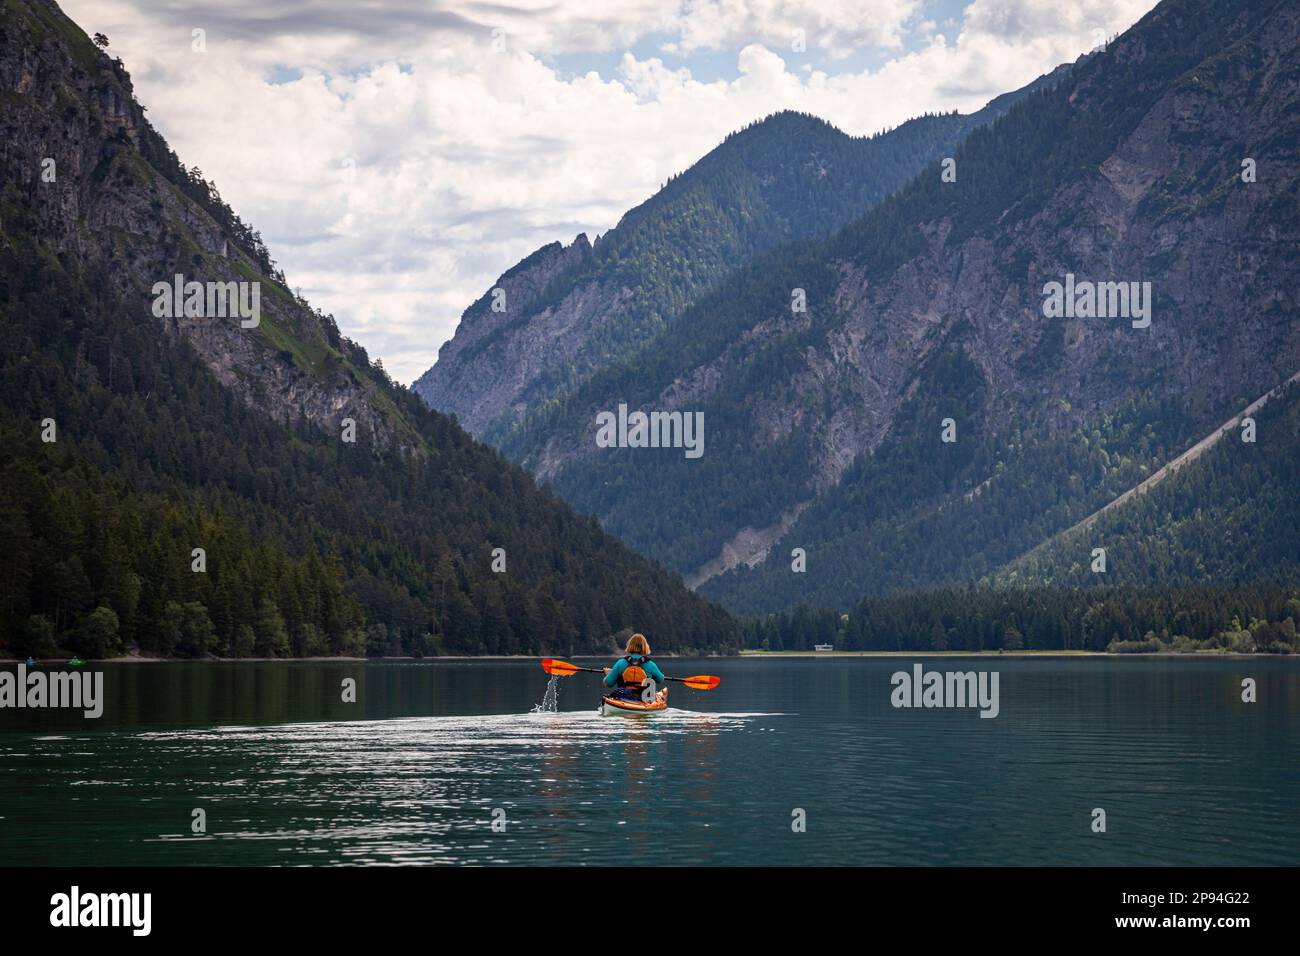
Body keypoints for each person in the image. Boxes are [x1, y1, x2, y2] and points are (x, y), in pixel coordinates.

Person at [603, 633, 667, 701]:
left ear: (629, 645)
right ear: (645, 646)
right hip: (644, 700)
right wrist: (660, 675)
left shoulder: (621, 663)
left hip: (623, 698)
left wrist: (608, 674)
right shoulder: (650, 664)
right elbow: (660, 680)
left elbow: (608, 683)